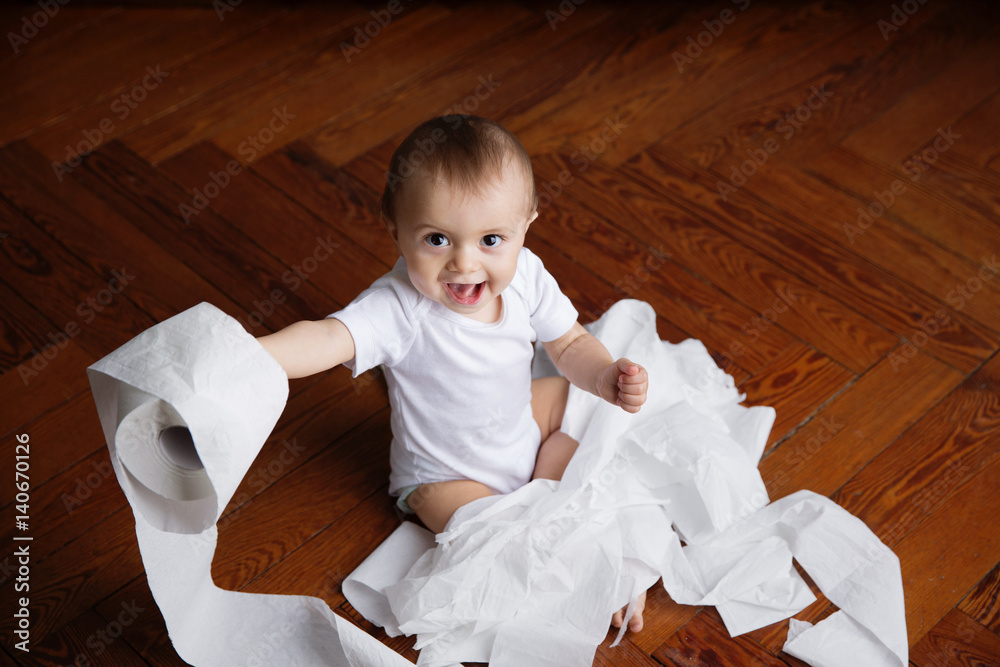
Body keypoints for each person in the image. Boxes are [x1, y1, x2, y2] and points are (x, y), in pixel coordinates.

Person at [257, 115, 649, 633]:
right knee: (499, 542)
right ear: (394, 227)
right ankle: (575, 567)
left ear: (526, 223)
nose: (465, 263)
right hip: (444, 476)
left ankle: (593, 546)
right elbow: (328, 338)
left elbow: (570, 341)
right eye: (437, 239)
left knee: (584, 462)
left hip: (520, 434)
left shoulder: (527, 274)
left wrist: (603, 377)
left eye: (491, 239)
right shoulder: (397, 307)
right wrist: (251, 356)